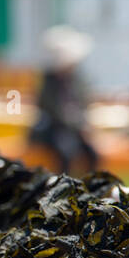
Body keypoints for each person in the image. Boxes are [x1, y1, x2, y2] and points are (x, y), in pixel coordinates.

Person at [29, 25, 101, 175]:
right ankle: (63, 187)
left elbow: (82, 103)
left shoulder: (76, 80)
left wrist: (82, 124)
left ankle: (90, 188)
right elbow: (52, 109)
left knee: (93, 154)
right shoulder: (48, 81)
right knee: (66, 153)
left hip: (74, 129)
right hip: (55, 130)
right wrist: (75, 123)